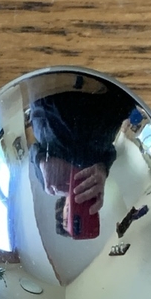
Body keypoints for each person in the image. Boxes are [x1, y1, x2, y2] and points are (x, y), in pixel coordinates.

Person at [27, 83, 134, 220]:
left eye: (68, 216)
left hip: (55, 89)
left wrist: (42, 161)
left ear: (63, 205)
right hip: (115, 97)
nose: (75, 214)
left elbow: (33, 150)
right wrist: (103, 168)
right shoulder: (93, 182)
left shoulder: (49, 184)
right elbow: (109, 151)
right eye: (77, 220)